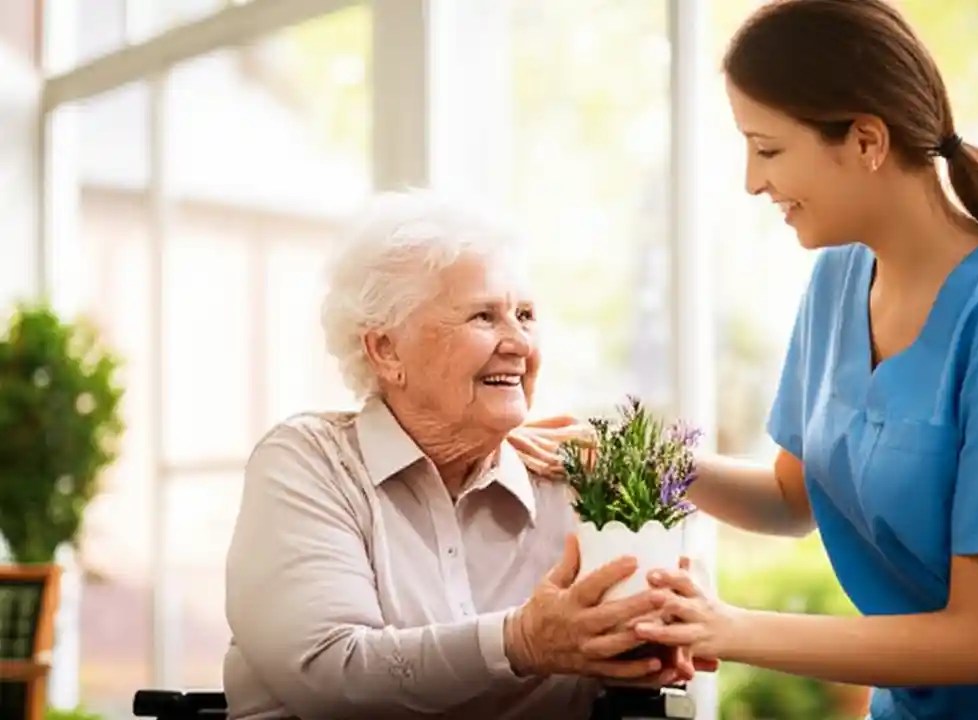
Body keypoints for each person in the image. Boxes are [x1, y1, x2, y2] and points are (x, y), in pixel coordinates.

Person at [517, 1, 978, 717]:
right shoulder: (839, 281)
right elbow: (791, 498)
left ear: (866, 140)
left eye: (767, 149)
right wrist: (634, 462)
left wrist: (727, 626)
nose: (751, 180)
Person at [221, 190, 694, 720]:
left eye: (526, 314)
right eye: (483, 317)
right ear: (386, 350)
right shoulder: (311, 465)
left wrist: (649, 636)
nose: (518, 342)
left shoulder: (572, 482)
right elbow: (331, 674)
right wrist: (519, 642)